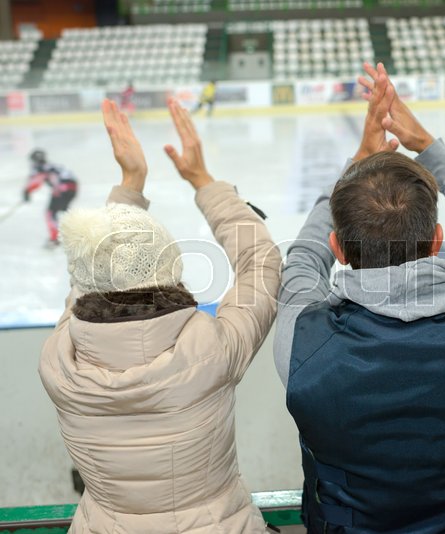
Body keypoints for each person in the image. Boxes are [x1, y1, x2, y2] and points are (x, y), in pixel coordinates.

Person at [274, 62, 445, 533]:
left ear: (339, 249)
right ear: (437, 240)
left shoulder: (302, 345)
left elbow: (301, 263)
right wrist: (431, 151)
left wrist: (356, 164)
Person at [38, 99, 281, 533]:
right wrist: (204, 182)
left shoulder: (60, 358)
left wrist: (130, 183)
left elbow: (93, 275)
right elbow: (260, 262)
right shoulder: (210, 348)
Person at [23, 149, 79, 247]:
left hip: (61, 189)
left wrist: (27, 192)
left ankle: (55, 238)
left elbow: (35, 181)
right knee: (65, 210)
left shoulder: (40, 168)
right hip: (73, 187)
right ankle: (77, 232)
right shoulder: (53, 165)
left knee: (50, 213)